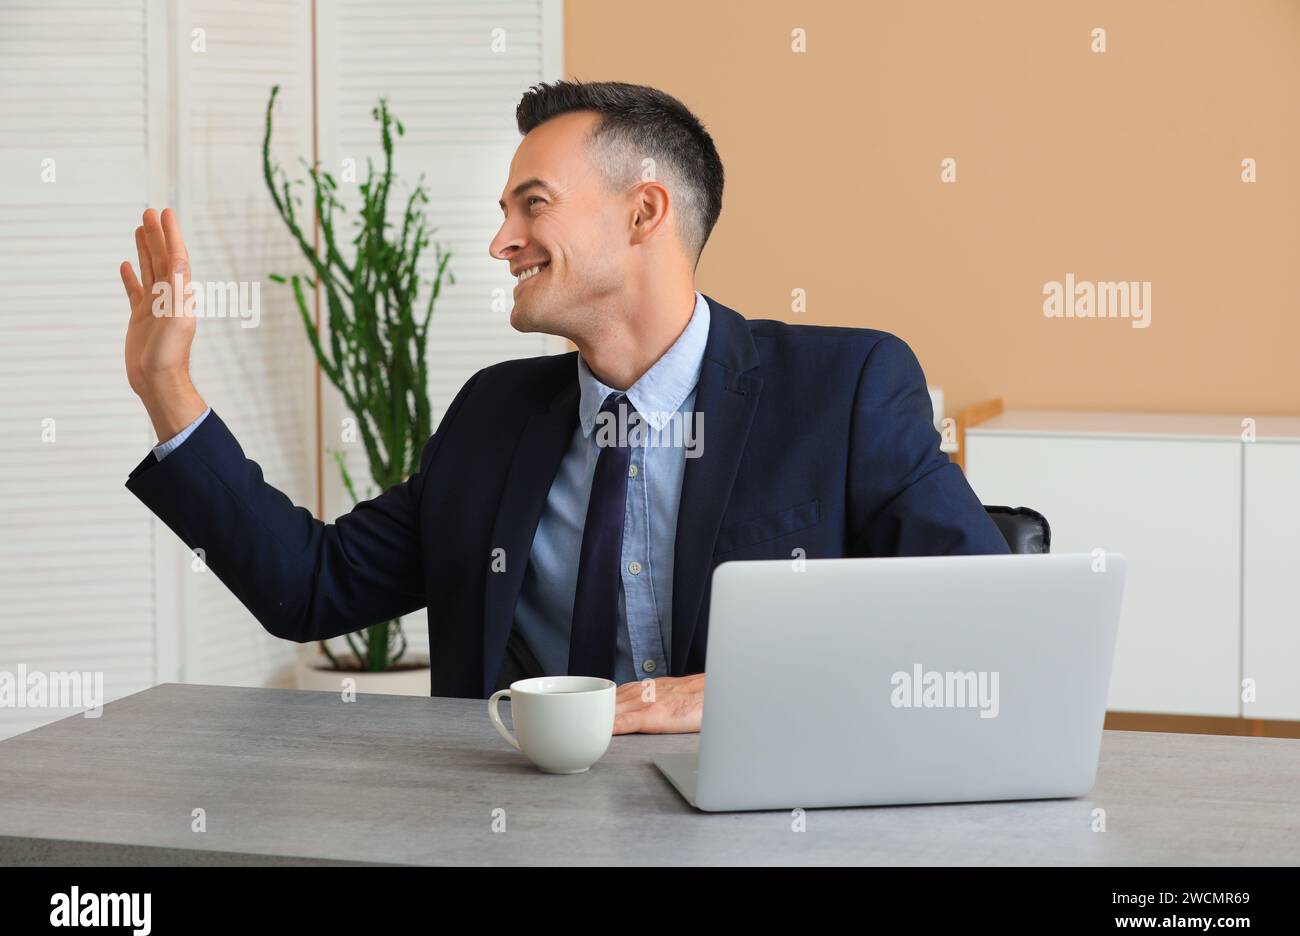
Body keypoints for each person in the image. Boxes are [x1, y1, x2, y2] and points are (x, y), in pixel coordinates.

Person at [120, 80, 1008, 735]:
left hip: (769, 825)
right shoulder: (493, 417)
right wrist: (168, 388)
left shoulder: (843, 389)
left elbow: (974, 628)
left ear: (644, 212)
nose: (502, 241)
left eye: (530, 206)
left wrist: (739, 690)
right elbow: (307, 588)